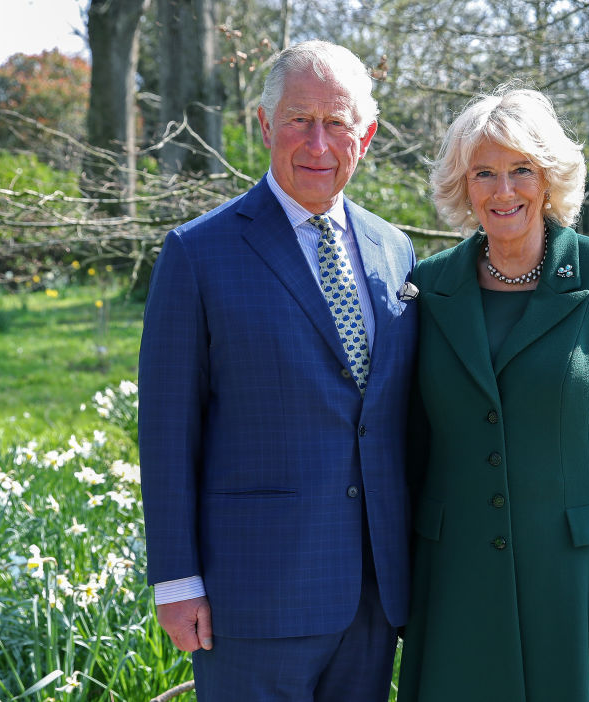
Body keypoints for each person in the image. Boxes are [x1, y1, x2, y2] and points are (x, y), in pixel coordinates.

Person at [138, 40, 418, 702]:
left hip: (375, 597)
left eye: (337, 122)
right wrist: (177, 581)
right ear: (264, 125)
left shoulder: (395, 250)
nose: (317, 142)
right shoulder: (198, 253)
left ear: (366, 136)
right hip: (254, 597)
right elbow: (167, 428)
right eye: (298, 119)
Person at [397, 87, 589, 702]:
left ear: (548, 178)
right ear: (462, 187)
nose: (503, 191)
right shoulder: (426, 288)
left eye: (521, 170)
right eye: (484, 173)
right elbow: (411, 445)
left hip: (581, 577)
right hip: (458, 577)